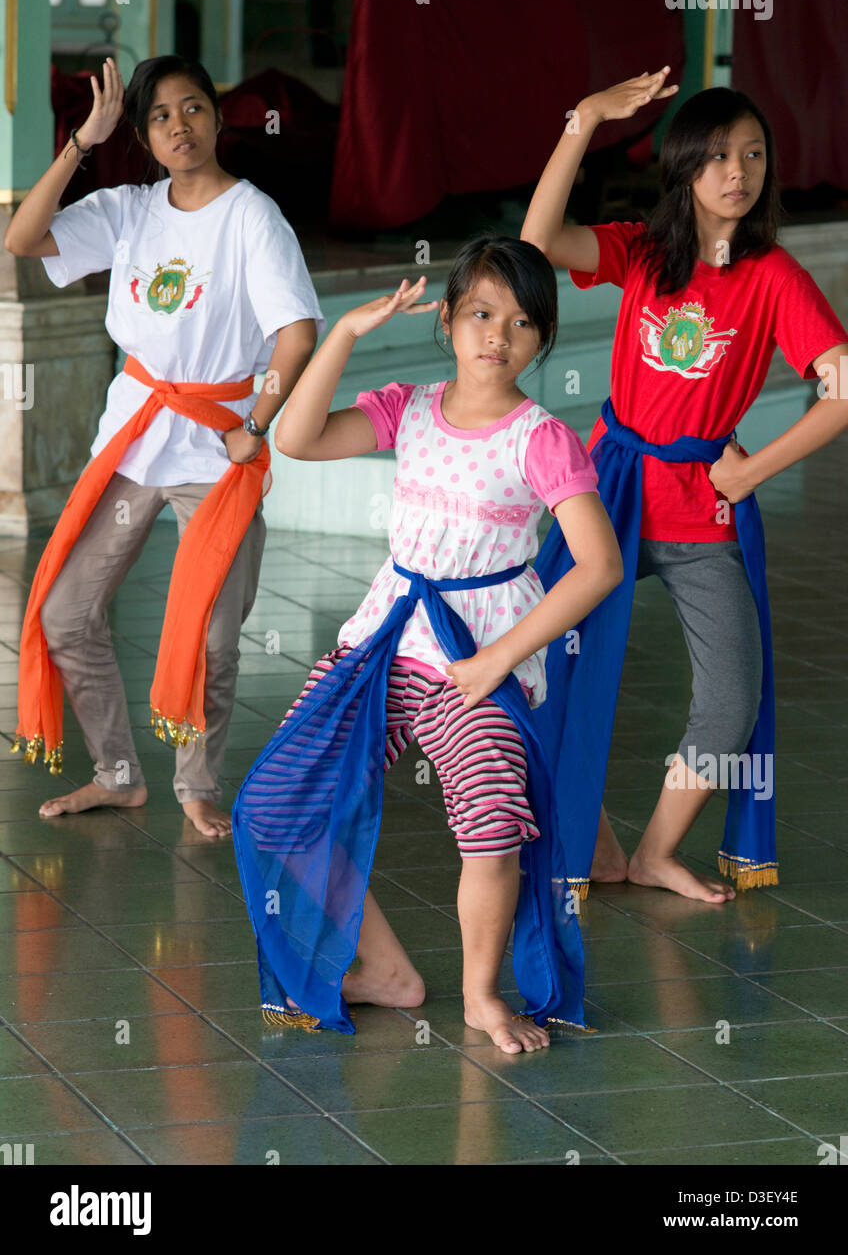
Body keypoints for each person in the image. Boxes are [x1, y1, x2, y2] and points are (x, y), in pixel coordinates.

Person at [232, 235, 623, 1055]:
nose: (497, 336)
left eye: (520, 323)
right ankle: (384, 971)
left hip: (479, 659)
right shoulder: (407, 406)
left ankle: (483, 998)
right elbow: (297, 439)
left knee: (492, 828)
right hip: (382, 640)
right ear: (447, 319)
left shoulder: (539, 436)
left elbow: (598, 567)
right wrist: (342, 335)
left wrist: (496, 661)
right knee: (274, 803)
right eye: (480, 313)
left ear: (540, 340)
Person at [522, 66, 848, 904]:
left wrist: (755, 467)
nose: (737, 172)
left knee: (734, 697)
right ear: (685, 170)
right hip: (611, 495)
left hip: (706, 513)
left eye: (752, 154)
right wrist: (585, 118)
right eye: (716, 157)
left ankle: (657, 852)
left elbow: (841, 386)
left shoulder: (774, 275)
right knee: (543, 664)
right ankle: (585, 839)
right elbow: (538, 239)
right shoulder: (639, 252)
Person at [5, 54, 323, 838]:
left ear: (217, 118)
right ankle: (117, 773)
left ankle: (196, 784)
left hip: (220, 447)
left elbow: (297, 333)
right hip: (138, 438)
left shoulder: (253, 216)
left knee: (215, 633)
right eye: (159, 117)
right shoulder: (126, 208)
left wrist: (257, 427)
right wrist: (83, 140)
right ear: (142, 136)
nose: (179, 126)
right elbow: (22, 236)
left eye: (192, 109)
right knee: (66, 611)